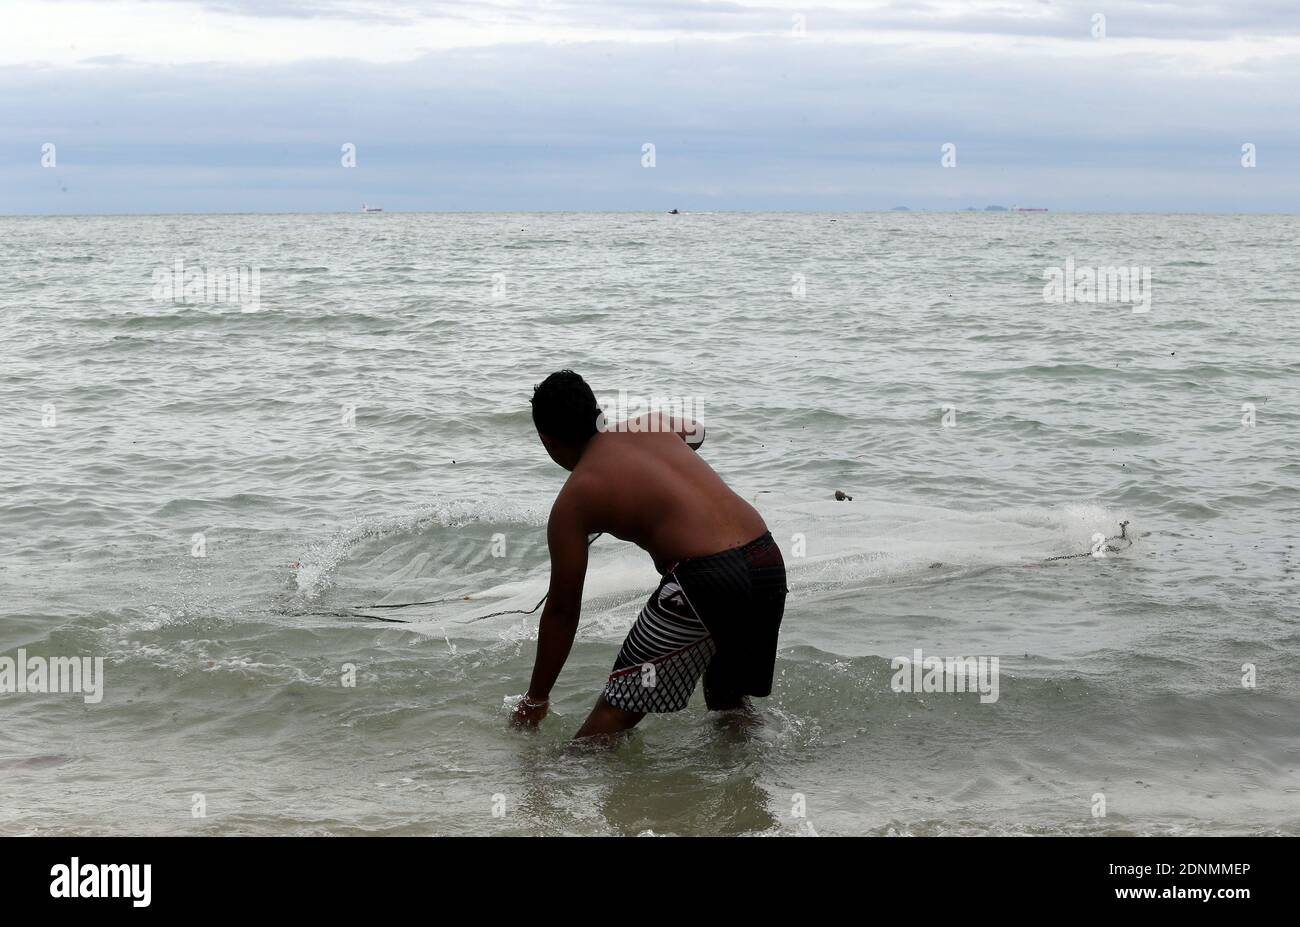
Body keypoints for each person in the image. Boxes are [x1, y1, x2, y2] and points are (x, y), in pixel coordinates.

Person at [511, 370, 787, 739]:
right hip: (766, 560)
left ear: (547, 439)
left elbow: (562, 612)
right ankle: (745, 788)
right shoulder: (650, 424)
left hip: (707, 580)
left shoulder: (573, 501)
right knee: (727, 701)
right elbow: (697, 432)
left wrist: (536, 700)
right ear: (597, 412)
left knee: (609, 720)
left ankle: (547, 787)